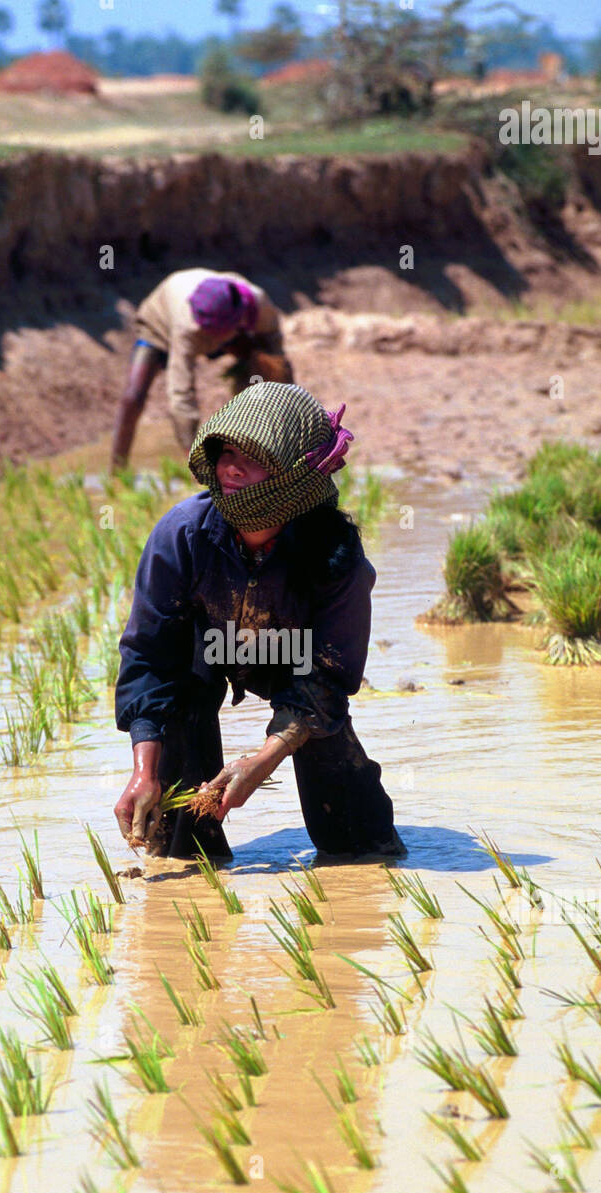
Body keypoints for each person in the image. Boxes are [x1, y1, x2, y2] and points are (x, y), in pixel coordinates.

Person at [113, 380, 405, 862]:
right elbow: (149, 657)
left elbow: (329, 675)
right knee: (183, 849)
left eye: (252, 458)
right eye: (225, 452)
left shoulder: (338, 559)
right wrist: (145, 768)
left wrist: (265, 758)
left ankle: (362, 846)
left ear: (293, 478)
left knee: (359, 845)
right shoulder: (181, 535)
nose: (229, 467)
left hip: (297, 663)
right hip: (202, 659)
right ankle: (192, 852)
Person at [110, 268, 292, 471]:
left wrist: (283, 412)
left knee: (264, 365)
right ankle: (117, 471)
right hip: (158, 325)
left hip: (231, 329)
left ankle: (259, 446)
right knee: (134, 396)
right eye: (207, 332)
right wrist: (193, 454)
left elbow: (277, 356)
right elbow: (181, 391)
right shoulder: (188, 327)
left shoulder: (258, 305)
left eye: (214, 334)